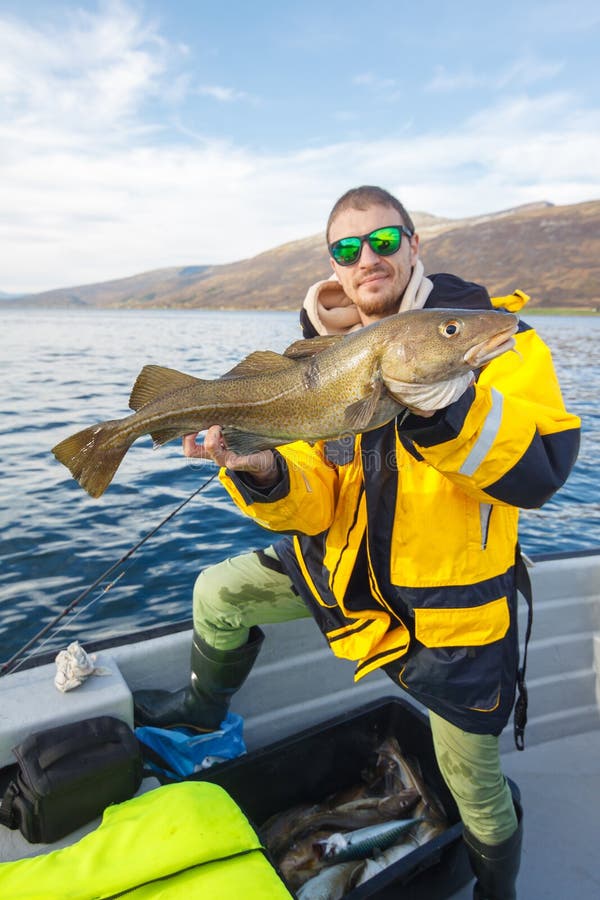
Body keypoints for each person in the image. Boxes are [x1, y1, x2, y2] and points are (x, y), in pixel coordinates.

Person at [134, 185, 581, 899]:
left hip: (448, 612)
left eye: (383, 240)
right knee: (218, 591)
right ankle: (200, 711)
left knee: (474, 784)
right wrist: (263, 467)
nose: (366, 258)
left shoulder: (491, 338)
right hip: (346, 580)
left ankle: (499, 888)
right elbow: (312, 502)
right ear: (333, 267)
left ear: (414, 245)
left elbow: (541, 469)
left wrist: (448, 400)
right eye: (347, 248)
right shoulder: (312, 361)